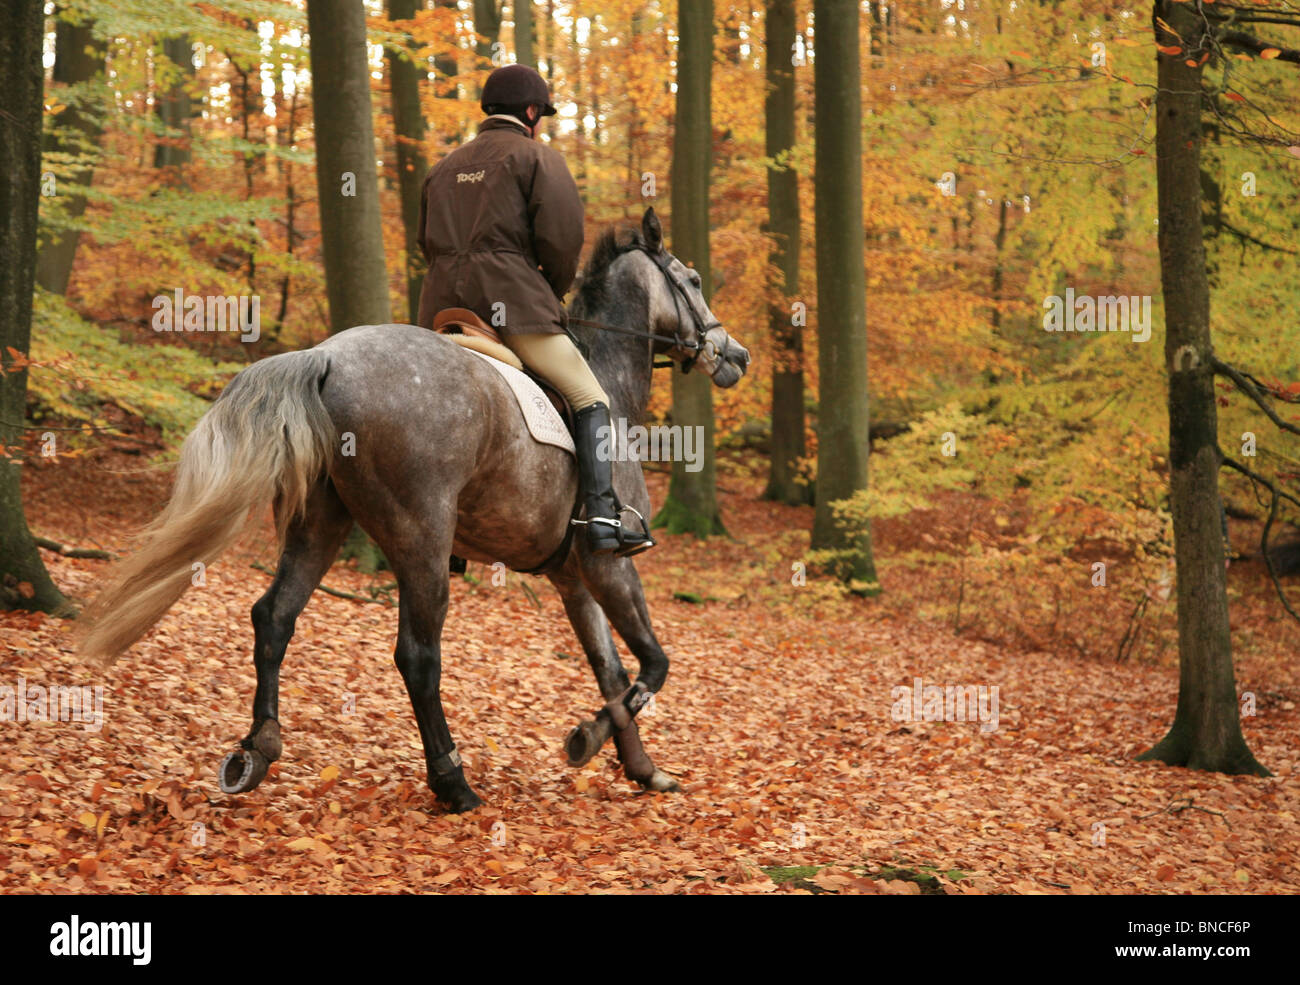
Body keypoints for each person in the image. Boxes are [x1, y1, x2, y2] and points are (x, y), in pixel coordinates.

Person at [417, 64, 652, 557]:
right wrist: (550, 293)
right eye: (540, 113)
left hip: (441, 312)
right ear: (530, 112)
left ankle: (451, 543)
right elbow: (563, 243)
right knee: (592, 398)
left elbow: (426, 243)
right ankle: (603, 516)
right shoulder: (537, 158)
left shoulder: (442, 168)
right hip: (513, 310)